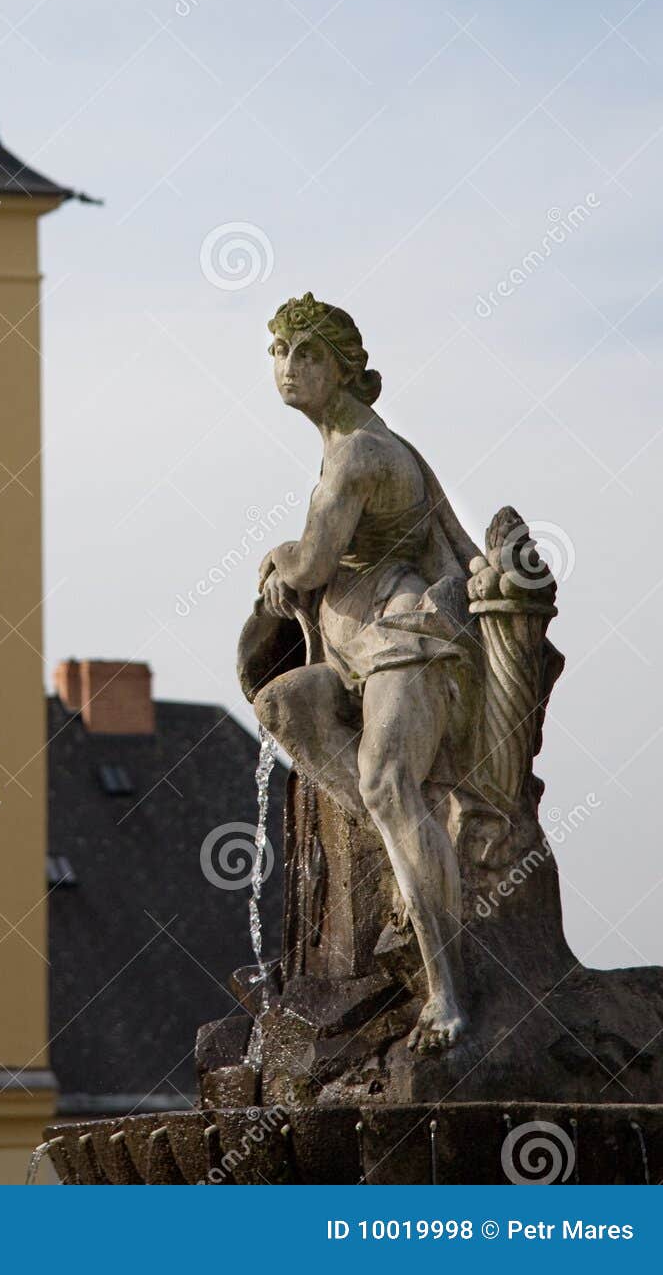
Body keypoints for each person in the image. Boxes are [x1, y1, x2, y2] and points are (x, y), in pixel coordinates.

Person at [255, 293, 481, 1052]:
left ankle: (447, 986)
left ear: (343, 367)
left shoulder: (359, 452)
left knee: (389, 784)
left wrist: (275, 561)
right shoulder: (349, 446)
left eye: (306, 354)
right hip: (350, 646)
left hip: (403, 638)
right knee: (282, 704)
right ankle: (397, 856)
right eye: (278, 352)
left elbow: (315, 560)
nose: (287, 369)